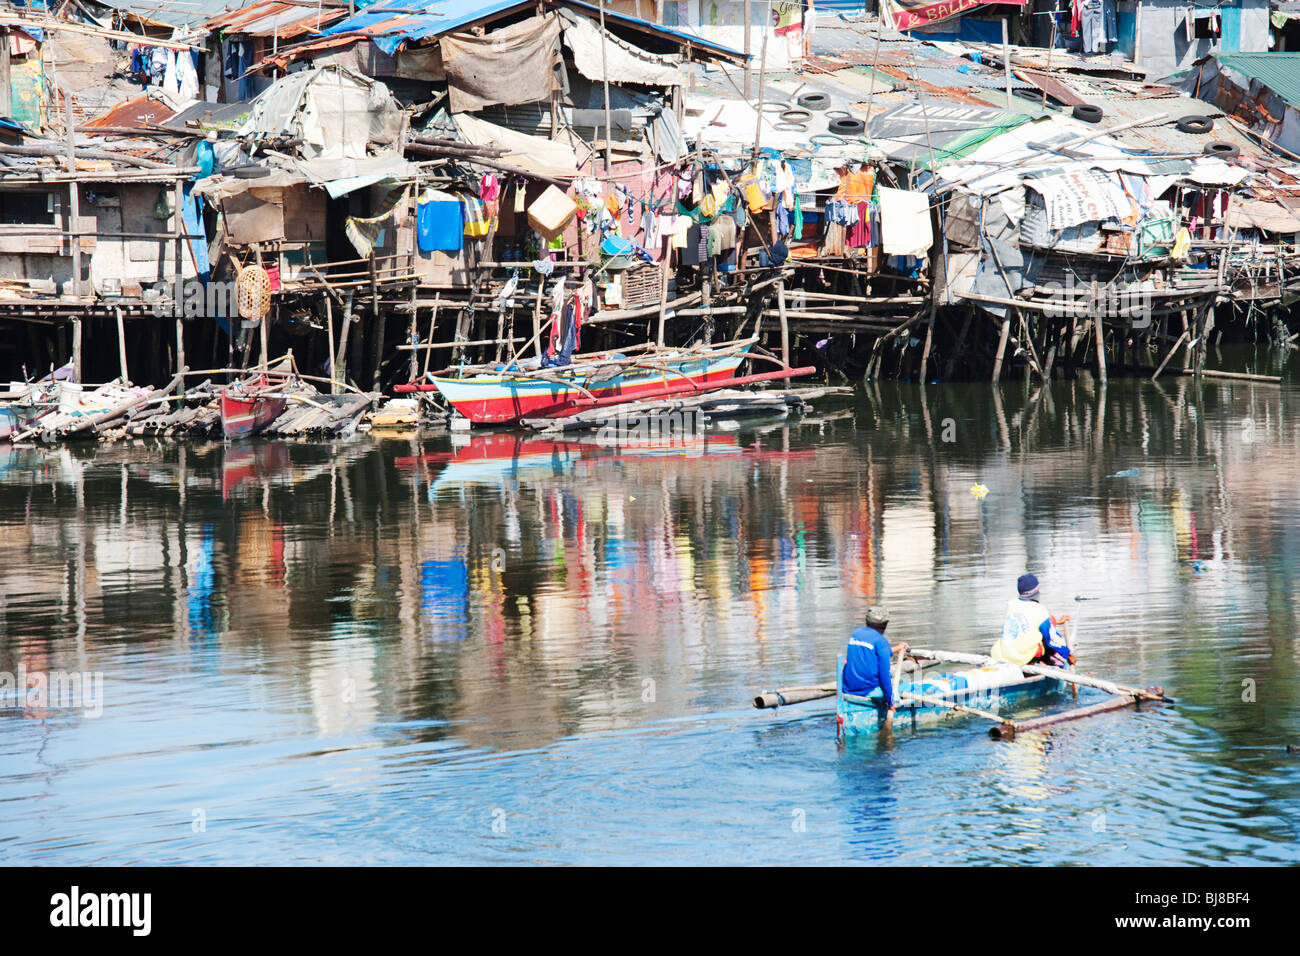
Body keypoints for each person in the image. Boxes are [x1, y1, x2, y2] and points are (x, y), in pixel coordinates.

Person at [842, 606, 909, 726]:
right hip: (868, 691)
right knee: (901, 691)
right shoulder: (881, 641)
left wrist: (898, 648)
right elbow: (884, 677)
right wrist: (891, 702)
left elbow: (874, 653)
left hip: (848, 689)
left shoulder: (856, 634)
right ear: (885, 625)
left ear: (867, 621)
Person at [990, 573, 1074, 667]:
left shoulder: (1012, 604)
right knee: (1048, 642)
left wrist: (1057, 622)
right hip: (1020, 658)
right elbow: (1052, 639)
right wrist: (1068, 654)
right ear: (1036, 592)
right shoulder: (1040, 610)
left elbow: (1030, 619)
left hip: (1001, 654)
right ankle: (1057, 666)